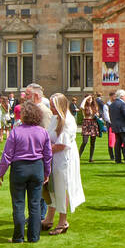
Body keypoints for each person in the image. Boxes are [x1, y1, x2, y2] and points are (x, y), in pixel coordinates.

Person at [0, 100, 53, 243]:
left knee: (18, 204)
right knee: (35, 204)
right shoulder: (43, 132)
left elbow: (7, 154)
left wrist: (1, 172)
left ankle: (18, 237)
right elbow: (48, 155)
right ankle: (34, 237)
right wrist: (47, 172)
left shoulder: (16, 132)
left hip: (19, 169)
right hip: (37, 168)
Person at [44, 93, 84, 234]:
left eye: (53, 106)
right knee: (51, 188)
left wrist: (44, 152)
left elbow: (61, 145)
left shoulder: (67, 121)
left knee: (61, 188)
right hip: (53, 157)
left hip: (63, 158)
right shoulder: (55, 118)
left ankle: (63, 221)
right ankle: (49, 218)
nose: (51, 108)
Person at [78, 94, 101, 162]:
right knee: (85, 141)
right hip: (86, 123)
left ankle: (91, 158)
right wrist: (86, 98)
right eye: (88, 99)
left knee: (92, 142)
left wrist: (97, 115)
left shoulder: (94, 106)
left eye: (90, 98)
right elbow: (81, 106)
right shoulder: (84, 106)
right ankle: (78, 156)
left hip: (93, 123)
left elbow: (98, 114)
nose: (89, 100)